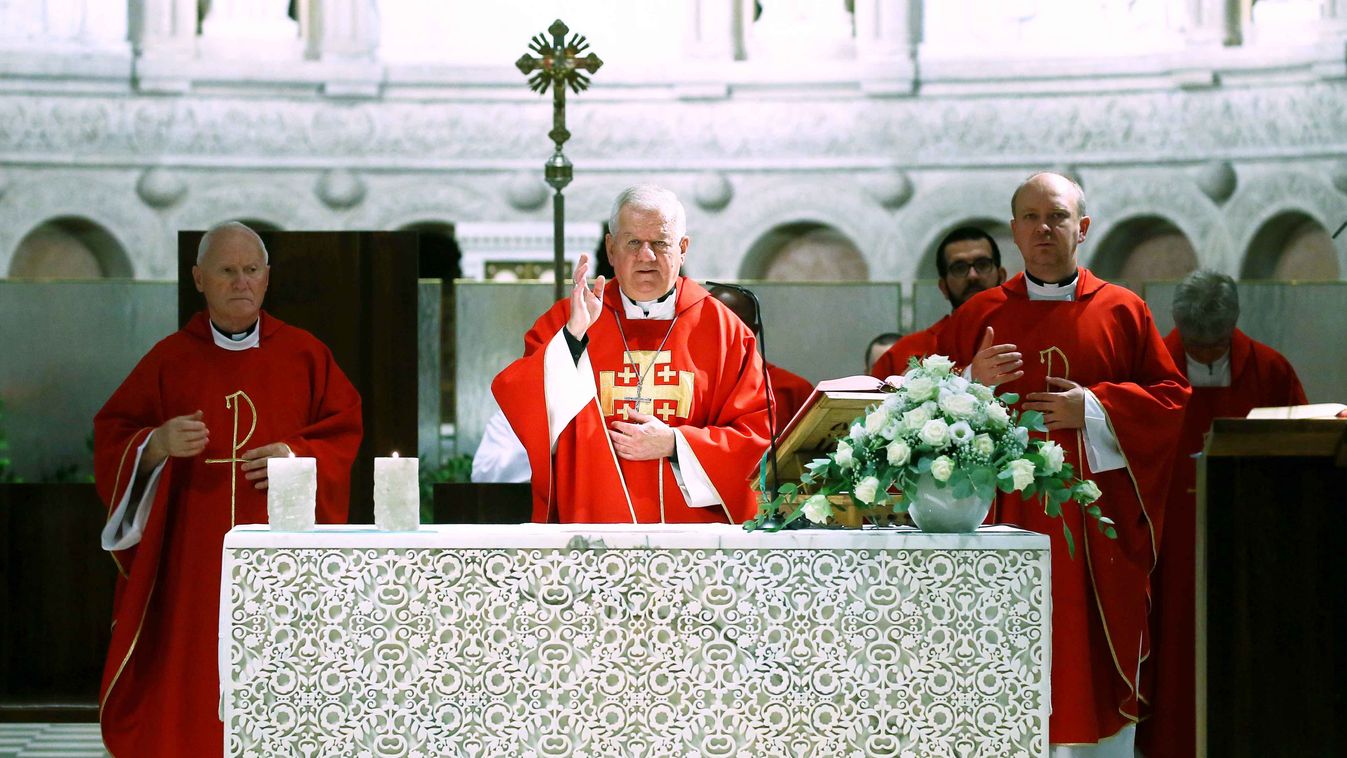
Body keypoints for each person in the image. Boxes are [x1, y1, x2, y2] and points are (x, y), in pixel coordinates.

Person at [937, 172, 1190, 755]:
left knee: (1090, 671)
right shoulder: (978, 314)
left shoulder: (1123, 311)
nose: (1043, 228)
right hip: (1000, 521)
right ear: (1014, 233)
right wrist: (972, 382)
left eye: (1055, 216)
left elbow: (1171, 399)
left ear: (1082, 228)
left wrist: (1095, 408)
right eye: (1030, 218)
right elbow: (926, 406)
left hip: (1091, 532)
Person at [93, 222, 363, 757]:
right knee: (194, 672)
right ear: (199, 278)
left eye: (251, 270)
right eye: (226, 270)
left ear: (267, 280)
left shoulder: (306, 354)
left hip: (284, 562)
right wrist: (156, 443)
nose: (241, 282)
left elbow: (342, 431)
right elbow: (113, 435)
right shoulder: (169, 359)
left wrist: (295, 454)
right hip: (192, 560)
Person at [491, 185, 771, 524]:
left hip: (693, 535)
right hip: (592, 523)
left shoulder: (724, 330)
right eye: (633, 242)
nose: (646, 256)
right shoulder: (571, 318)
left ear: (682, 249)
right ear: (611, 249)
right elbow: (523, 402)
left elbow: (756, 436)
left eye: (660, 243)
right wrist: (574, 337)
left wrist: (675, 442)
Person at [1137, 270, 1306, 758]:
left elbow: (1298, 454)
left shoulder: (1271, 371)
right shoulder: (1152, 370)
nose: (1207, 354)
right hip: (1167, 544)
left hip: (1251, 540)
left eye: (1216, 343)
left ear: (1233, 327)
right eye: (1196, 343)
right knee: (1173, 647)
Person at [871, 226, 1006, 379]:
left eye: (982, 265)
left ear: (1002, 277)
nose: (972, 276)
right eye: (959, 268)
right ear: (943, 287)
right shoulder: (904, 354)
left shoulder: (1027, 338)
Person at [706, 283, 814, 432]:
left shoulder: (793, 390)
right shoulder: (684, 385)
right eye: (714, 323)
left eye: (736, 325)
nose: (724, 333)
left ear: (754, 331)